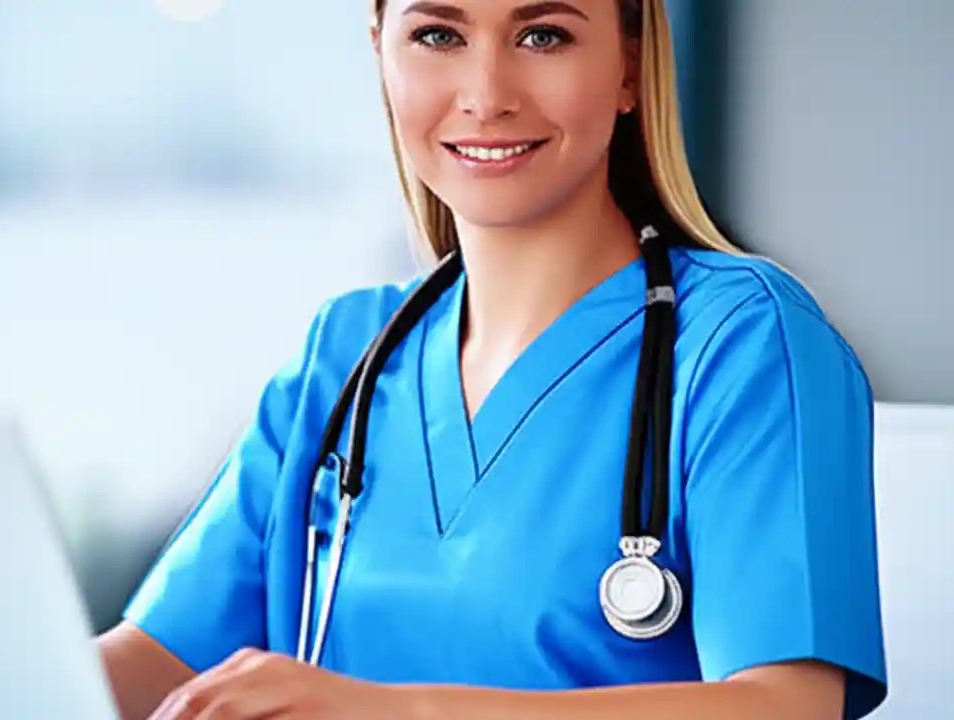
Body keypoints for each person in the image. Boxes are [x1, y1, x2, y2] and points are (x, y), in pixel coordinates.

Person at [95, 0, 889, 717]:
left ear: (629, 66)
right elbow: (156, 663)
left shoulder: (745, 341)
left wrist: (395, 715)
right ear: (382, 55)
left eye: (543, 35)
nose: (486, 93)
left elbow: (786, 707)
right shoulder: (346, 357)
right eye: (437, 35)